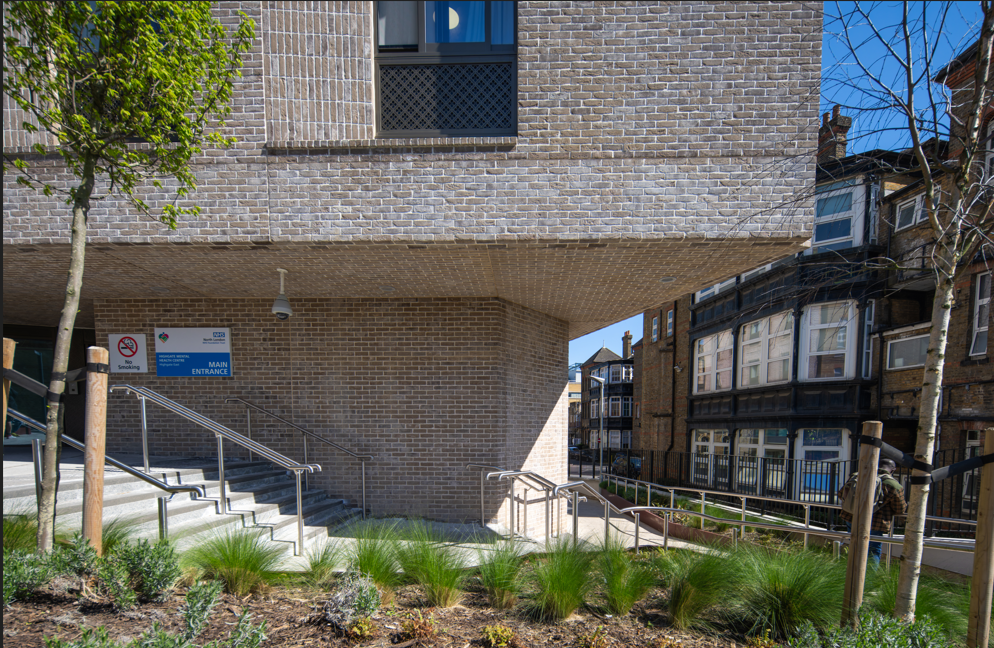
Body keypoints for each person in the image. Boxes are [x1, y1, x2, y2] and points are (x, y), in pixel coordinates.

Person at [837, 457, 906, 565]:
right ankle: (868, 579)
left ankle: (852, 573)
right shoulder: (893, 485)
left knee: (855, 545)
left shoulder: (857, 475)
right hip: (875, 523)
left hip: (851, 517)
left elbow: (841, 495)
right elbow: (900, 509)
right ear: (893, 470)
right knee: (873, 550)